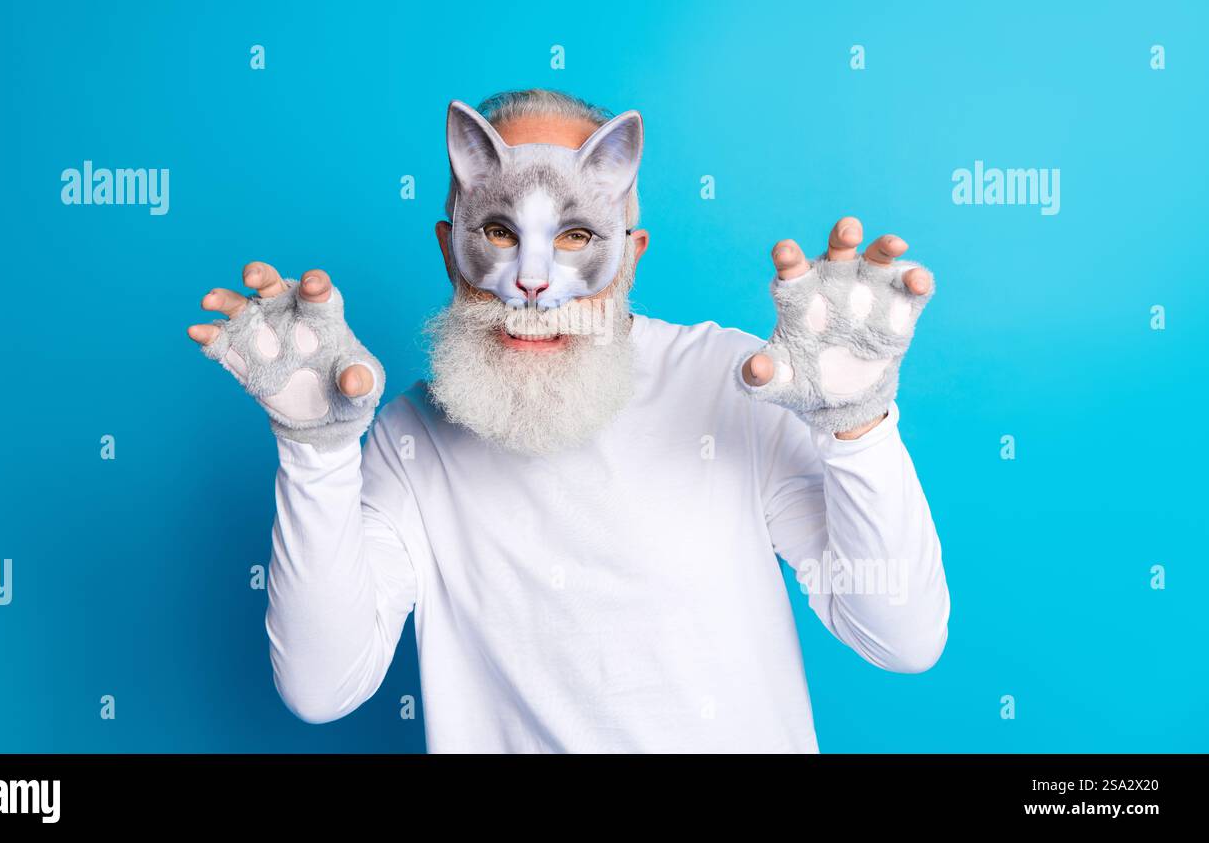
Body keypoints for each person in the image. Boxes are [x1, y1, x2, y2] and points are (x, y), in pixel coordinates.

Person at [187, 89, 949, 753]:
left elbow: (902, 637)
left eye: (578, 236)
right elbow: (322, 689)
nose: (531, 283)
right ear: (451, 250)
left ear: (631, 253)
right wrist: (315, 452)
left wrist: (859, 427)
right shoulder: (411, 438)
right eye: (498, 232)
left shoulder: (728, 382)